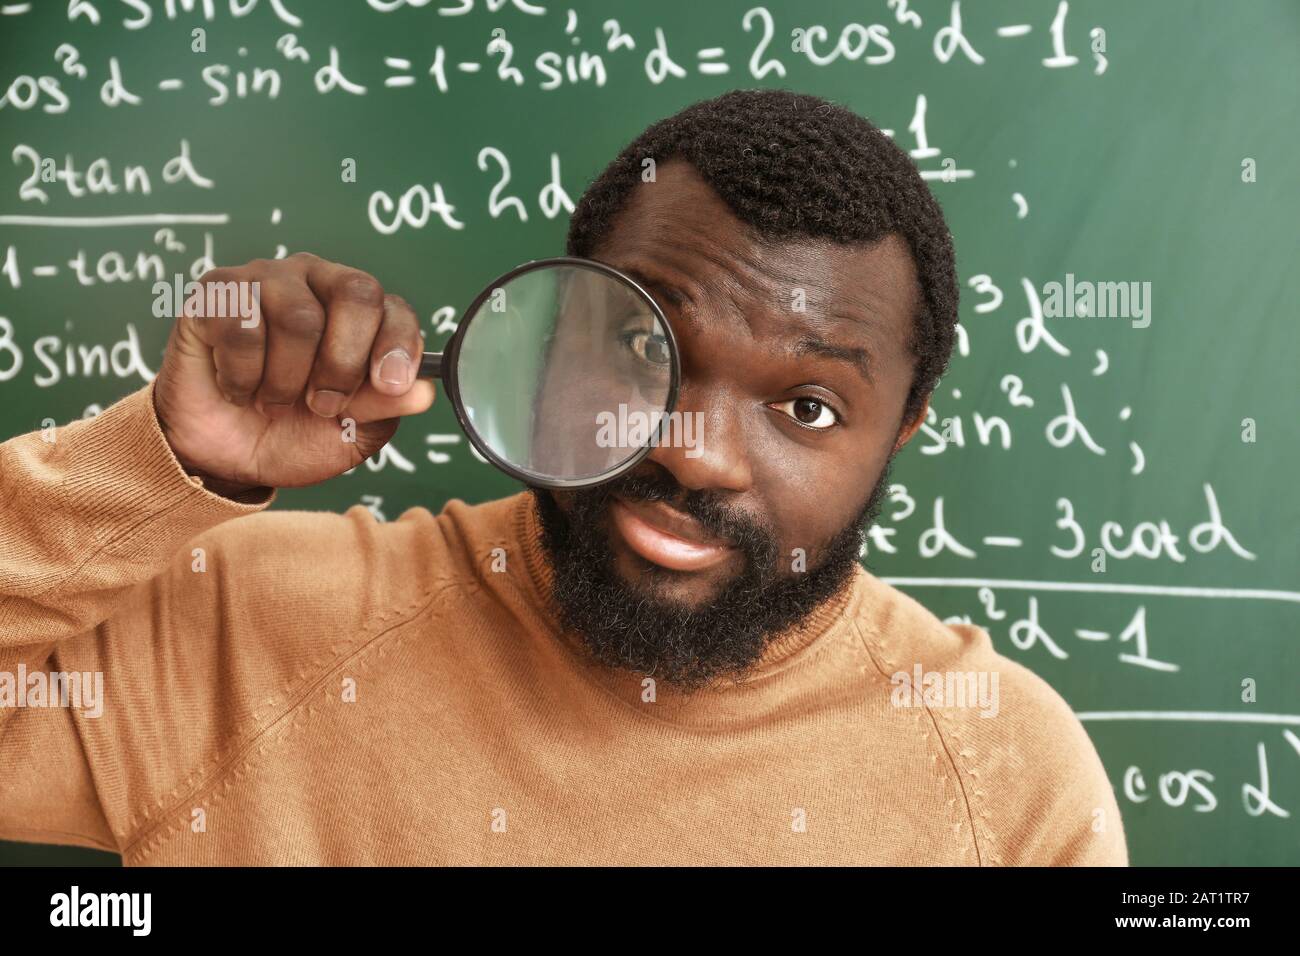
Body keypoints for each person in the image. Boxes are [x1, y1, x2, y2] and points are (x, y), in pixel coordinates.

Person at [0, 89, 1126, 865]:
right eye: (640, 346)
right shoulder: (251, 625)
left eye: (808, 406)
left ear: (901, 432)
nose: (692, 449)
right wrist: (162, 459)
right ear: (547, 333)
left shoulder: (1006, 775)